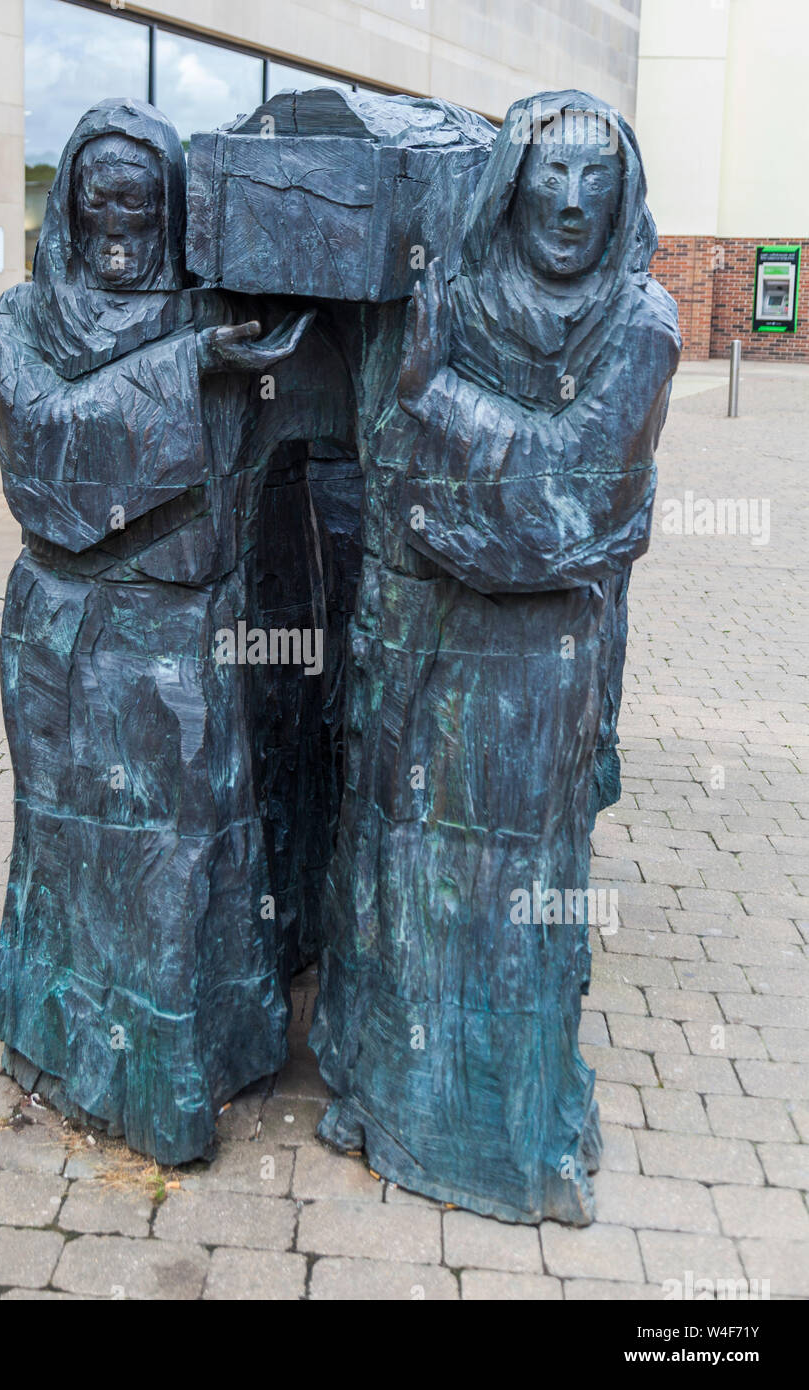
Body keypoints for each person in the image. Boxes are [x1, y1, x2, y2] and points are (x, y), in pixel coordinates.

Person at [311, 91, 680, 1223]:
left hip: (543, 659)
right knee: (413, 870)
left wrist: (441, 401)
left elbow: (574, 494)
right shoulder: (452, 299)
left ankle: (506, 1130)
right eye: (549, 173)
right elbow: (404, 493)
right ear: (511, 182)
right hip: (435, 645)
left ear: (621, 193)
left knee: (518, 889)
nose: (569, 200)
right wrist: (467, 500)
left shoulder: (641, 324)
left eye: (593, 177)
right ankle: (397, 1097)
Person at [0, 99, 311, 1165]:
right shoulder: (22, 321)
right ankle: (65, 1038)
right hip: (66, 632)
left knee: (183, 859)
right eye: (99, 194)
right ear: (70, 202)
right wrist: (185, 371)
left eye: (140, 198)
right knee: (75, 854)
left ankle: (192, 1050)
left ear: (170, 210)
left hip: (178, 629)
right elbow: (48, 455)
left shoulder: (217, 313)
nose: (119, 218)